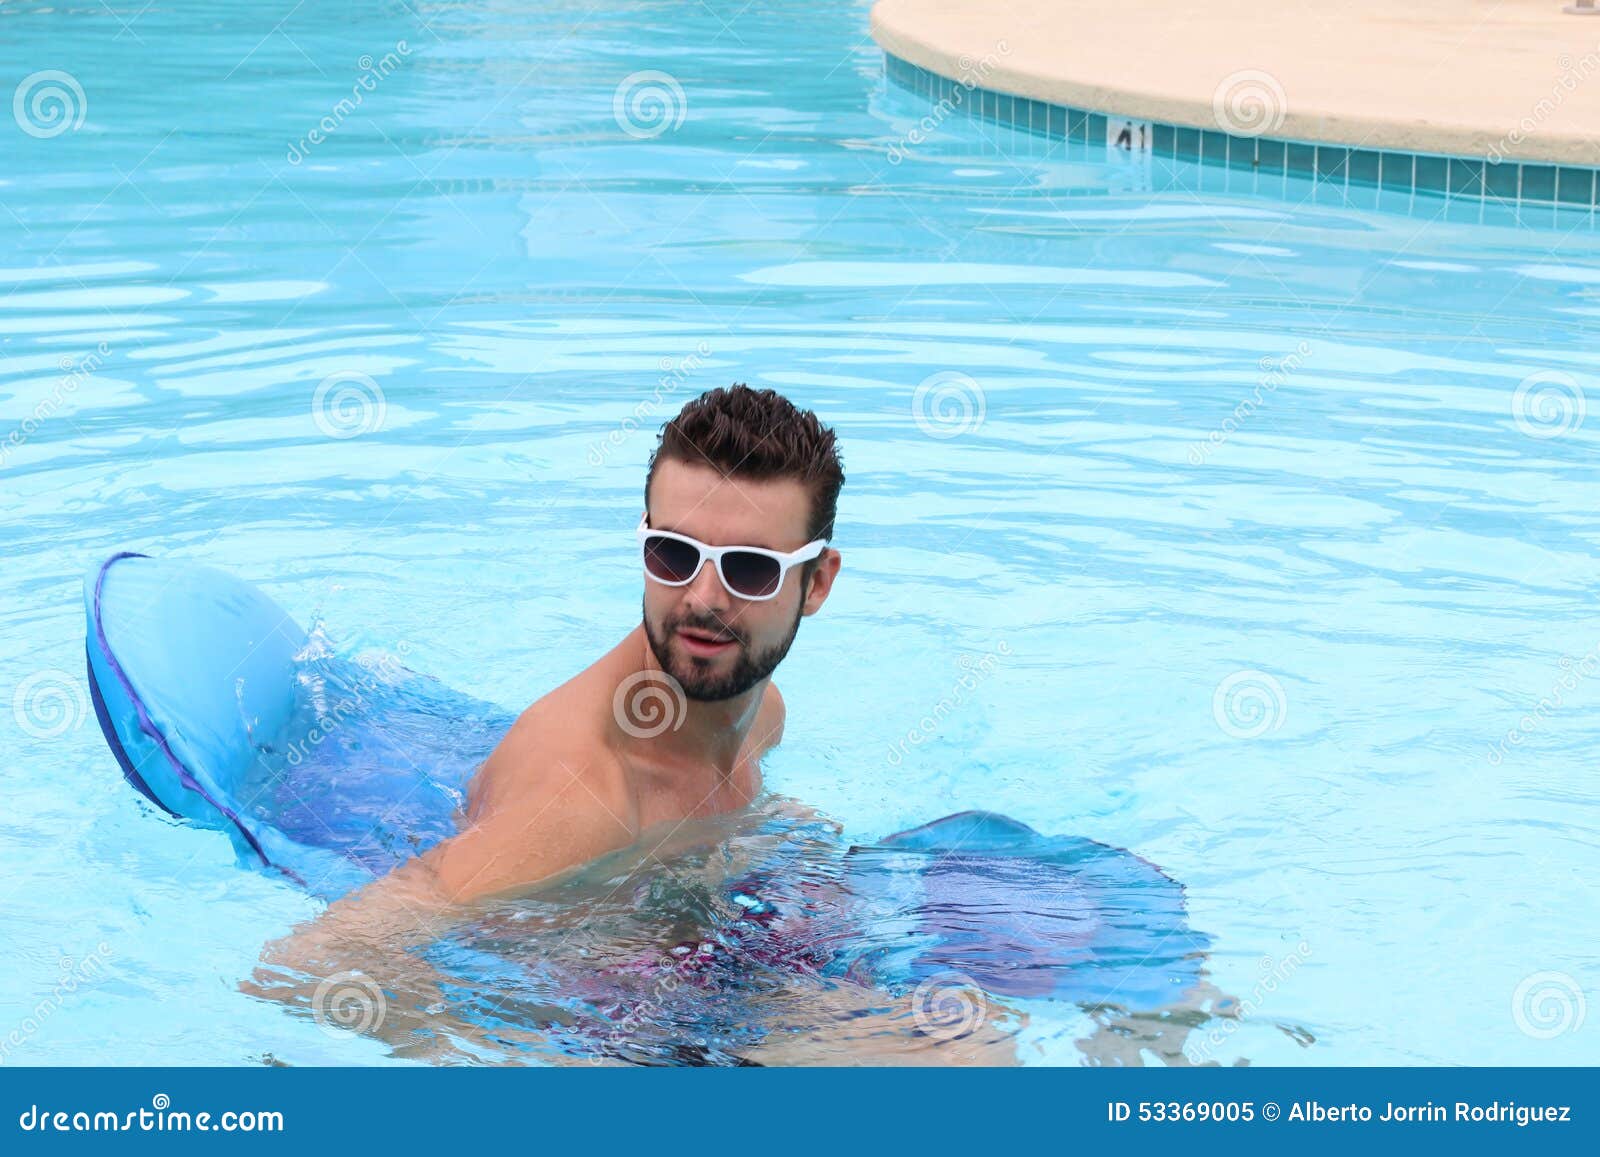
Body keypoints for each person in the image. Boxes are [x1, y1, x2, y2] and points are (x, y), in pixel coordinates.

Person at [247, 384, 851, 1058]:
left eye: (750, 569)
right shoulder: (582, 801)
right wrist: (493, 1053)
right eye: (673, 554)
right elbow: (303, 968)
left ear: (817, 582)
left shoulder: (761, 712)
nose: (703, 599)